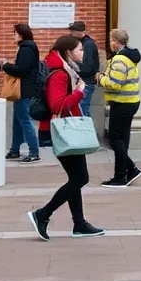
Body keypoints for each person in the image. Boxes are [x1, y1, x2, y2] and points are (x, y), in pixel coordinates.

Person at [26, 35, 106, 241]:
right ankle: (43, 214)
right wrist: (79, 92)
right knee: (80, 178)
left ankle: (79, 224)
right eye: (80, 49)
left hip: (67, 131)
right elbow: (57, 105)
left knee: (76, 178)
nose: (83, 52)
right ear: (68, 52)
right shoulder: (60, 74)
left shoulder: (66, 71)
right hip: (63, 132)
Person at [98, 28, 141, 187]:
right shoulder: (129, 57)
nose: (110, 43)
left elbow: (114, 84)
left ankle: (122, 174)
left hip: (122, 102)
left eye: (111, 40)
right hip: (130, 101)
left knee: (115, 140)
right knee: (122, 140)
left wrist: (100, 78)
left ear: (116, 42)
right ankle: (127, 171)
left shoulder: (119, 60)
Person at [2, 23, 41, 163]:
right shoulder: (28, 47)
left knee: (25, 120)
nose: (13, 35)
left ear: (21, 34)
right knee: (17, 121)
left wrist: (6, 65)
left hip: (24, 89)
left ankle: (34, 151)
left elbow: (21, 70)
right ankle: (14, 149)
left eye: (15, 32)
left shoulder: (26, 48)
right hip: (25, 88)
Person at [69, 21, 100, 125]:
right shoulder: (83, 43)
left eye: (73, 31)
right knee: (81, 110)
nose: (71, 33)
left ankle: (87, 135)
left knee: (82, 110)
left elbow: (89, 67)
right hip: (83, 81)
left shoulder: (88, 44)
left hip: (86, 82)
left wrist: (73, 65)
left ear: (80, 32)